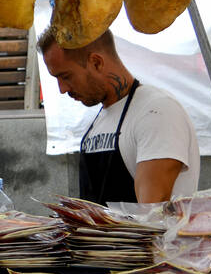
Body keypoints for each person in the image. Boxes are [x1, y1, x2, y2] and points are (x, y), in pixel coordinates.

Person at [38, 27, 200, 204]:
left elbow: (152, 210)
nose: (62, 89)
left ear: (96, 62)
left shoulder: (156, 111)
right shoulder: (101, 119)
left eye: (66, 76)